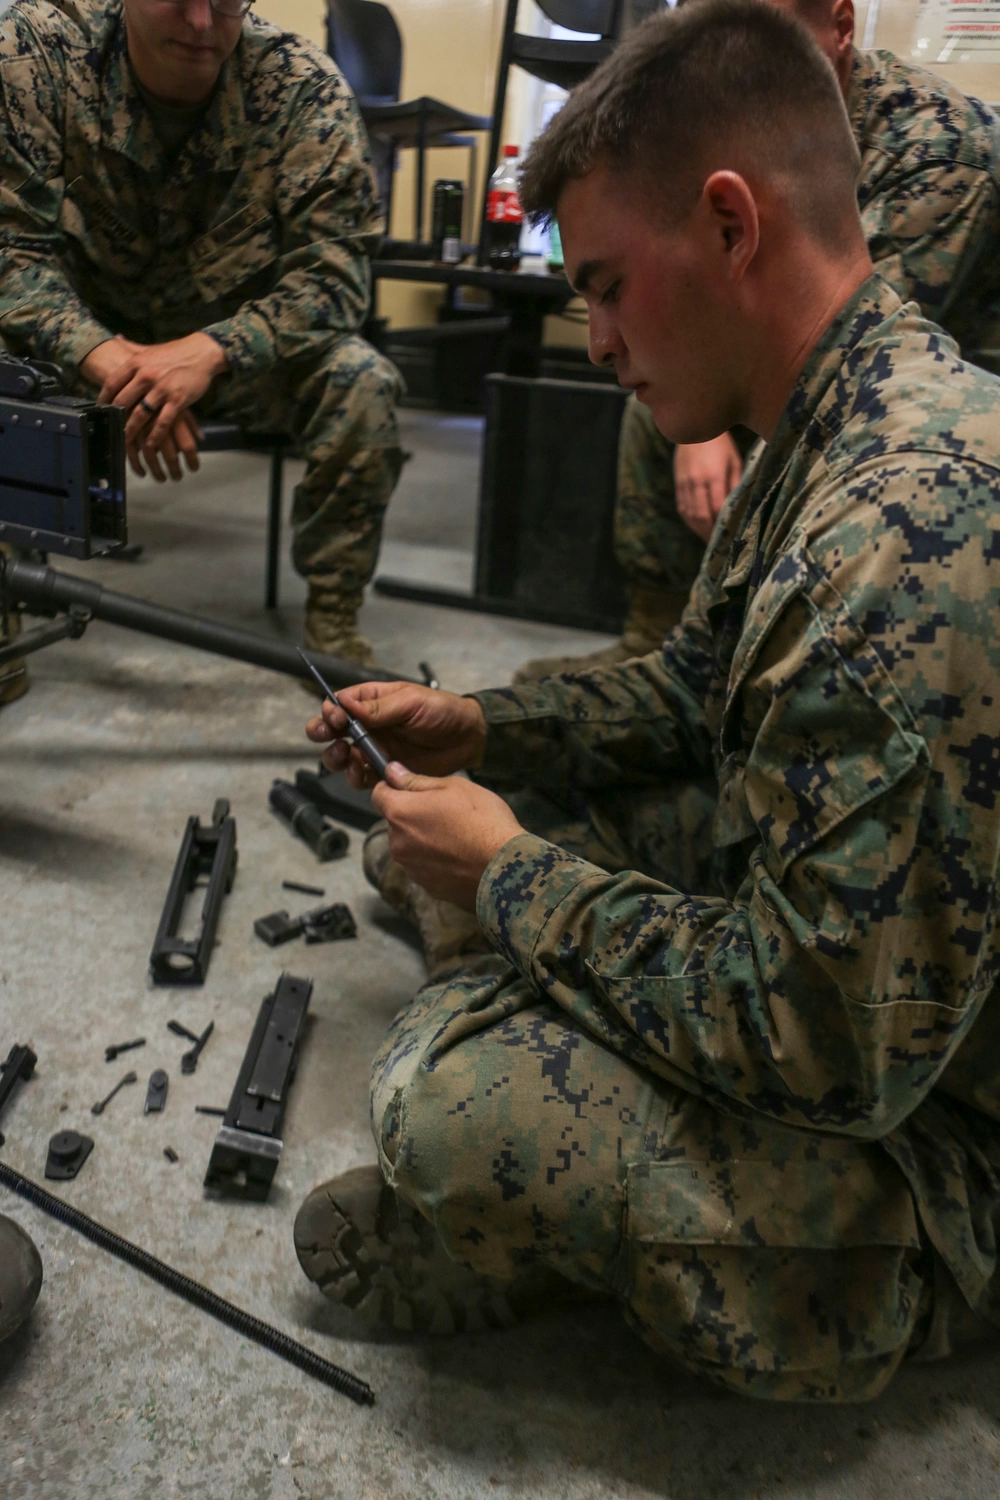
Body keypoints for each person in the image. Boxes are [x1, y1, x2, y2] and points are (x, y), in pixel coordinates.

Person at [291, 0, 1000, 1399]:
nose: (598, 342)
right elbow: (693, 689)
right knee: (446, 825)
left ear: (731, 224)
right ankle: (545, 1091)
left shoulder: (903, 539)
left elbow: (822, 1045)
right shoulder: (835, 411)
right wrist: (486, 728)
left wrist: (512, 881)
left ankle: (886, 1262)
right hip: (855, 953)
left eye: (609, 286)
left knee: (450, 1108)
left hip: (934, 1101)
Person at [515, 0, 1000, 680]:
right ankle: (661, 637)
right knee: (656, 399)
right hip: (825, 368)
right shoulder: (732, 131)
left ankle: (744, 656)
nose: (734, 61)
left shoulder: (941, 146)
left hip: (935, 398)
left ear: (841, 27)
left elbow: (840, 360)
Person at [0, 0, 404, 676]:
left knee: (364, 381)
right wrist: (116, 365)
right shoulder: (35, 53)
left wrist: (213, 352)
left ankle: (334, 619)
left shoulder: (302, 87)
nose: (199, 22)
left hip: (234, 361)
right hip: (76, 353)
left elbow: (336, 276)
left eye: (224, 2)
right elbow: (10, 252)